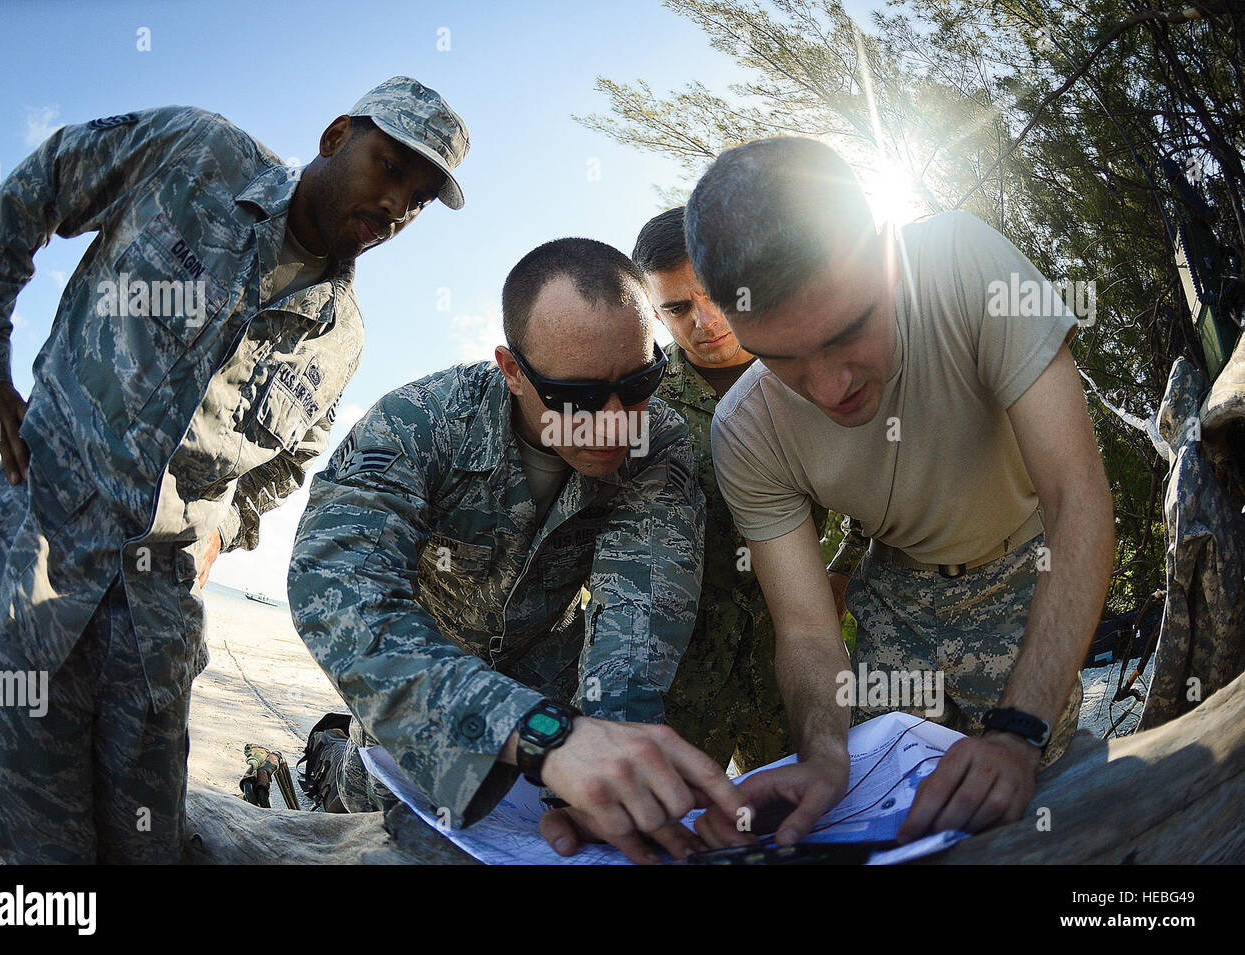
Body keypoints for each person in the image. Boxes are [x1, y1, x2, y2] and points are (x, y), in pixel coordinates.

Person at [0, 76, 469, 863]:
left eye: (420, 198)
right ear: (336, 136)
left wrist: (223, 531)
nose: (397, 204)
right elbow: (42, 185)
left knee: (143, 842)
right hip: (42, 551)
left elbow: (292, 460)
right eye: (391, 166)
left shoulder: (341, 338)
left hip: (157, 616)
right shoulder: (197, 154)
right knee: (25, 823)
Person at [686, 137, 1114, 847]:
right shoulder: (745, 427)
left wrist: (1017, 731)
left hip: (1025, 573)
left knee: (1039, 796)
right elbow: (805, 628)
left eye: (849, 330)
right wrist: (824, 752)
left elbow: (1078, 499)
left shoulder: (966, 264)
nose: (829, 388)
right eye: (782, 360)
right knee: (896, 813)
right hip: (897, 597)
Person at [289, 237, 748, 864]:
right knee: (372, 809)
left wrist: (612, 751)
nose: (616, 420)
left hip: (551, 677)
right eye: (579, 398)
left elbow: (639, 611)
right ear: (512, 369)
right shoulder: (419, 423)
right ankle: (329, 753)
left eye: (640, 382)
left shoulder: (655, 440)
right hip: (422, 681)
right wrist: (537, 733)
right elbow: (336, 593)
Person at [631, 206, 865, 773]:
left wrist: (843, 567)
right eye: (678, 308)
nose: (706, 321)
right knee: (675, 831)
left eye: (716, 294)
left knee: (828, 814)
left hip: (800, 659)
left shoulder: (812, 370)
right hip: (682, 678)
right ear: (654, 315)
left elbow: (879, 470)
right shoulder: (636, 404)